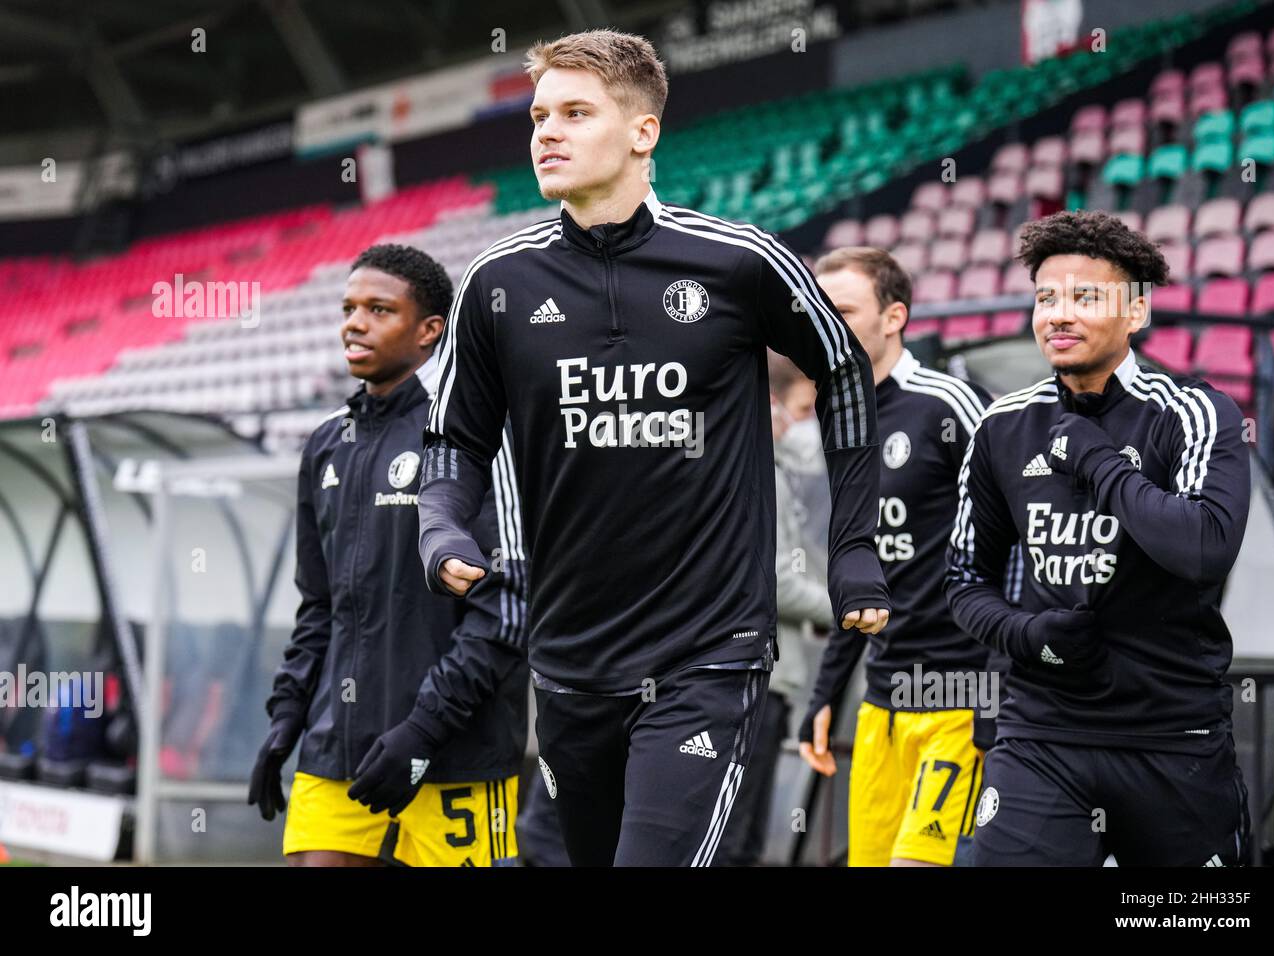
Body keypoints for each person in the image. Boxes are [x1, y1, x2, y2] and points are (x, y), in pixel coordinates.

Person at [417, 29, 890, 866]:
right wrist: (442, 526)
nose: (546, 133)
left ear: (644, 132)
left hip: (708, 656)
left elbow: (846, 377)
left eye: (574, 112)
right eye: (537, 116)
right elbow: (454, 439)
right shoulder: (495, 286)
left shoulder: (740, 263)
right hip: (568, 663)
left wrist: (852, 547)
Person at [945, 210, 1251, 866]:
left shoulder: (1195, 413)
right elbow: (967, 579)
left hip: (1171, 734)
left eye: (1086, 297)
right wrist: (1028, 635)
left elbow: (1202, 549)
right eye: (1047, 297)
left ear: (1136, 312)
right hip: (1041, 730)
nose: (1060, 314)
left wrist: (1097, 460)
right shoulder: (1002, 425)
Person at [248, 244, 528, 867]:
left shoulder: (477, 434)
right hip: (336, 752)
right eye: (349, 308)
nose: (354, 322)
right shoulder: (326, 446)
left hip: (456, 756)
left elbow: (505, 613)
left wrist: (423, 731)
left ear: (430, 331)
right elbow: (319, 606)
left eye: (379, 309)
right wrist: (287, 717)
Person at [798, 247, 996, 866]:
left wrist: (999, 689)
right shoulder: (837, 423)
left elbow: (1021, 541)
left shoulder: (950, 405)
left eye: (844, 310)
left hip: (959, 697)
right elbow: (862, 572)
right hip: (881, 704)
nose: (826, 323)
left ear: (894, 317)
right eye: (817, 311)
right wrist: (824, 696)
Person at [716, 356, 837, 867]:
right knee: (734, 838)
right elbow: (777, 581)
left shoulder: (773, 467)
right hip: (750, 678)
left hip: (765, 678)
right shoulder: (756, 467)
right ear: (771, 403)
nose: (811, 423)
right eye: (806, 408)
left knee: (743, 834)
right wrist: (847, 605)